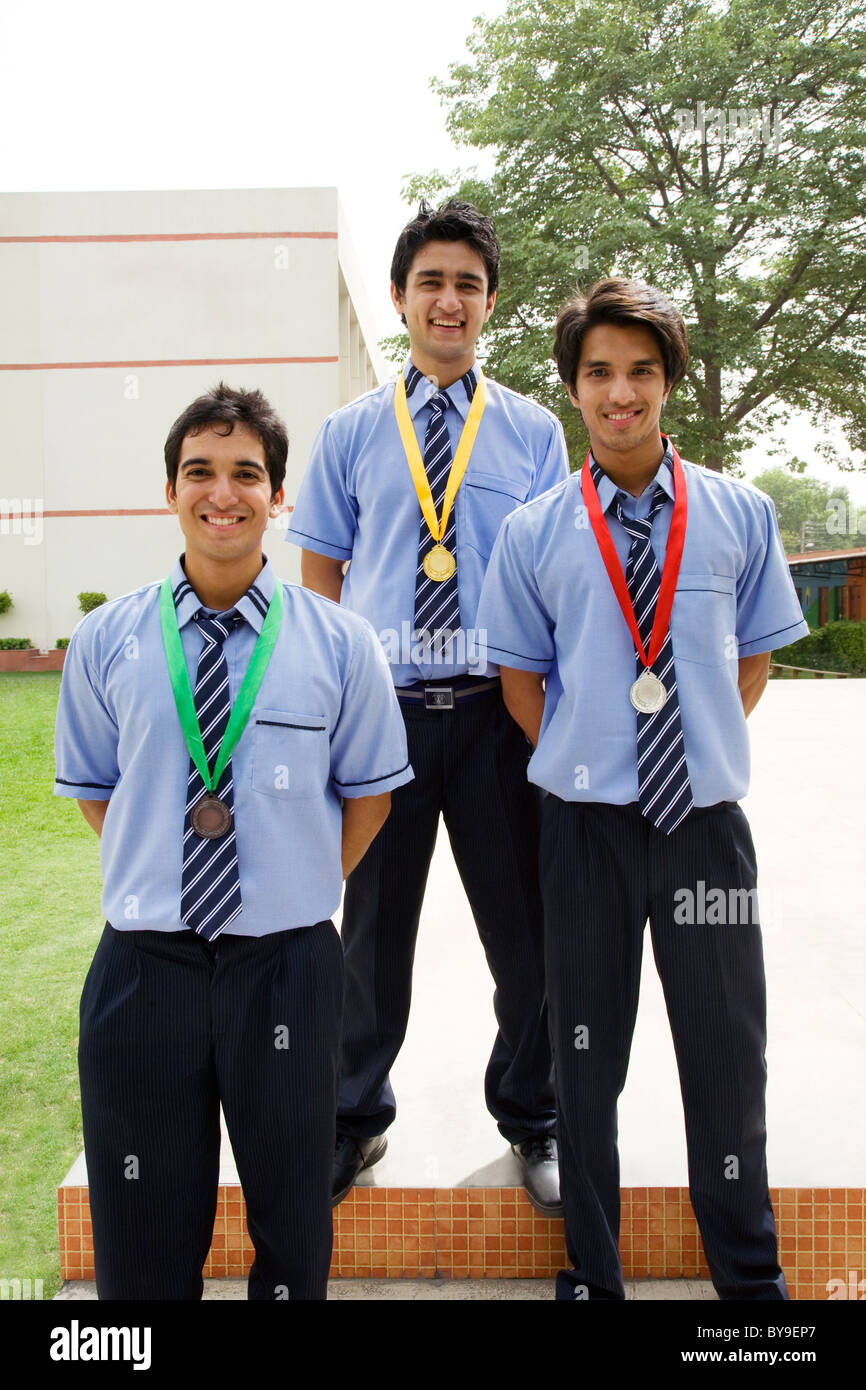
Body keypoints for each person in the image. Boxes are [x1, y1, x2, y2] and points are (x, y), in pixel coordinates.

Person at [476, 278, 809, 1300]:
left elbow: (748, 660)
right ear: (573, 387)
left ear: (665, 382)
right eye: (598, 373)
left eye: (640, 373)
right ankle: (594, 1271)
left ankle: (747, 1284)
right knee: (585, 1061)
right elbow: (521, 683)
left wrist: (689, 747)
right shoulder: (533, 531)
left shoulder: (737, 513)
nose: (620, 393)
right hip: (583, 836)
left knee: (725, 1055)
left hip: (703, 828)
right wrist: (594, 762)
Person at [54, 383, 412, 1300]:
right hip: (144, 970)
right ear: (169, 490)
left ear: (277, 496)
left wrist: (289, 885)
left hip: (287, 966)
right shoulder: (105, 641)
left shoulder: (341, 643)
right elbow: (101, 792)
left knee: (293, 1222)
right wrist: (170, 879)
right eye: (200, 471)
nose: (224, 492)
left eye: (247, 473)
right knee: (139, 1230)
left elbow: (369, 795)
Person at [286, 199, 569, 1212]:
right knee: (368, 933)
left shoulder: (534, 431)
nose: (447, 299)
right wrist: (323, 708)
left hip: (498, 715)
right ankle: (351, 1119)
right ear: (402, 297)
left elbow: (552, 577)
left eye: (467, 283)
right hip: (385, 719)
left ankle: (535, 1118)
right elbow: (321, 573)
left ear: (489, 302)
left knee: (525, 935)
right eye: (429, 281)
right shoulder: (352, 432)